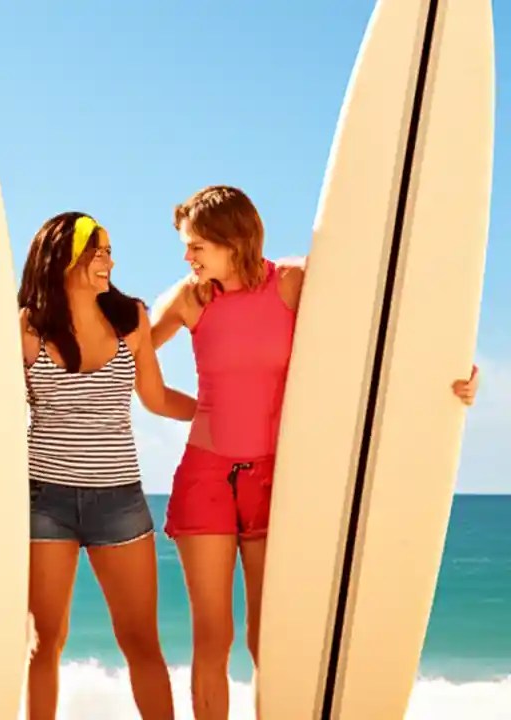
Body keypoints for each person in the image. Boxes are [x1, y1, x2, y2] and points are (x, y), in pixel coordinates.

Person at [149, 184, 481, 719]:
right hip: (205, 479)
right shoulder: (191, 297)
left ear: (232, 240)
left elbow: (381, 326)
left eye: (196, 246)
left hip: (275, 480)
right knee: (213, 638)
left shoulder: (293, 282)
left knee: (269, 639)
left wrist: (451, 369)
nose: (187, 258)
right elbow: (125, 351)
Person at [18, 212, 193, 720]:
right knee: (43, 641)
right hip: (44, 501)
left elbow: (156, 398)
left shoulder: (130, 317)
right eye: (99, 251)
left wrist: (215, 411)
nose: (110, 262)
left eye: (110, 251)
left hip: (119, 501)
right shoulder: (28, 327)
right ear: (65, 256)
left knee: (141, 640)